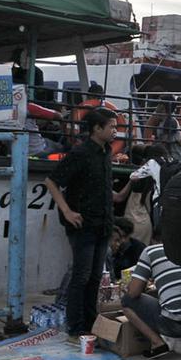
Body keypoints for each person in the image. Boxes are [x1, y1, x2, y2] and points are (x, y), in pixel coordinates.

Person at [45, 107, 117, 339]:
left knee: (95, 276)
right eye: (112, 127)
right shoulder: (81, 153)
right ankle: (76, 326)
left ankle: (89, 322)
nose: (115, 131)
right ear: (97, 128)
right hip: (83, 225)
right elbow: (52, 181)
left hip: (103, 223)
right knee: (82, 275)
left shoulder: (106, 152)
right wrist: (67, 211)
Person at [121, 236, 181, 360]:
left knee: (127, 300)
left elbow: (134, 293)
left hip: (173, 326)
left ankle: (157, 343)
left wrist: (130, 286)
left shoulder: (151, 251)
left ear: (154, 239)